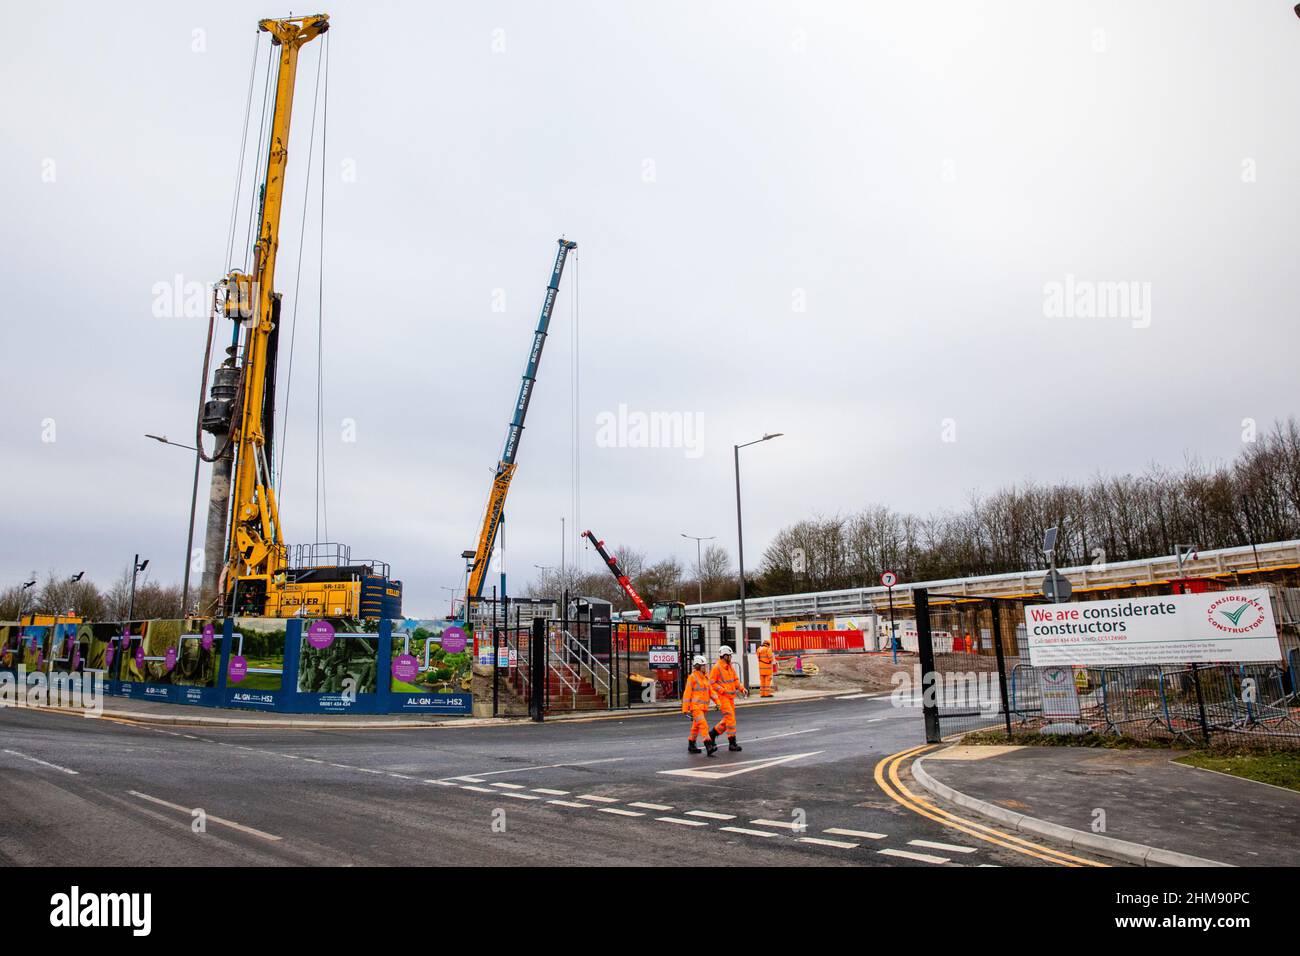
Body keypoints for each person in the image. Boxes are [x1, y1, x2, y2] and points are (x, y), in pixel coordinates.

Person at [709, 645, 748, 751]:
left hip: (730, 697)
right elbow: (711, 683)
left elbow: (735, 680)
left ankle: (712, 734)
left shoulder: (729, 666)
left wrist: (741, 688)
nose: (731, 657)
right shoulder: (717, 667)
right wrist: (722, 690)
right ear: (724, 656)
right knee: (730, 719)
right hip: (723, 698)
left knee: (727, 720)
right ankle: (732, 743)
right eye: (729, 655)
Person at [681, 655, 719, 756]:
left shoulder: (706, 677)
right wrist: (685, 708)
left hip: (703, 708)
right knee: (703, 725)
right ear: (697, 666)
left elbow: (711, 691)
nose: (705, 667)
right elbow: (687, 694)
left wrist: (717, 702)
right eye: (703, 665)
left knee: (696, 727)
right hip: (696, 707)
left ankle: (691, 744)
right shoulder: (692, 677)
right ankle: (709, 746)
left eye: (705, 665)